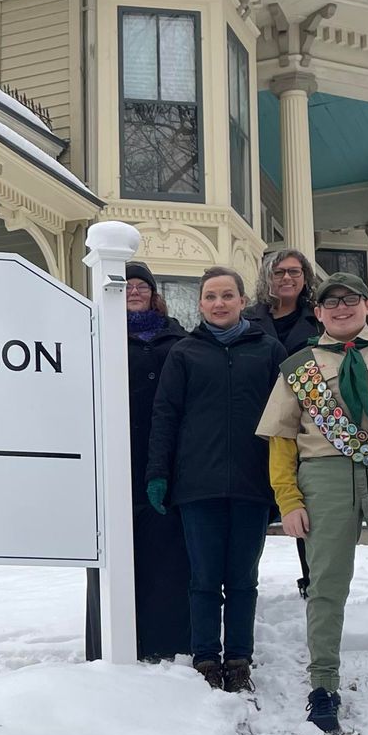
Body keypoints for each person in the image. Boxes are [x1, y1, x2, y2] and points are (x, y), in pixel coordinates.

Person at [254, 269, 368, 735]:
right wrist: (289, 500)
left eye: (351, 299)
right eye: (330, 302)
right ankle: (323, 685)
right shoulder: (300, 365)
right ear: (318, 312)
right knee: (325, 584)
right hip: (323, 477)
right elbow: (281, 440)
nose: (341, 308)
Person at [145, 267, 287, 691]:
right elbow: (165, 416)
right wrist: (158, 473)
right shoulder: (185, 353)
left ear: (243, 301)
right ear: (201, 304)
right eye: (210, 296)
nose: (219, 303)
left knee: (243, 579)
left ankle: (240, 657)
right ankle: (206, 656)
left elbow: (287, 419)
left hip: (252, 482)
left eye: (228, 295)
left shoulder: (269, 351)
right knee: (204, 579)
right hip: (198, 484)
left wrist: (286, 483)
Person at [123, 261, 191, 661]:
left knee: (167, 551)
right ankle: (125, 638)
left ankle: (168, 640)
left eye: (142, 286)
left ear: (154, 294)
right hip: (121, 457)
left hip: (168, 458)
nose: (134, 291)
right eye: (127, 285)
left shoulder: (176, 338)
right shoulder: (98, 333)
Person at [243, 247, 323, 353]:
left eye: (294, 271)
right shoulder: (245, 319)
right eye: (278, 272)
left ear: (305, 279)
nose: (286, 277)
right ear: (267, 279)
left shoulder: (320, 320)